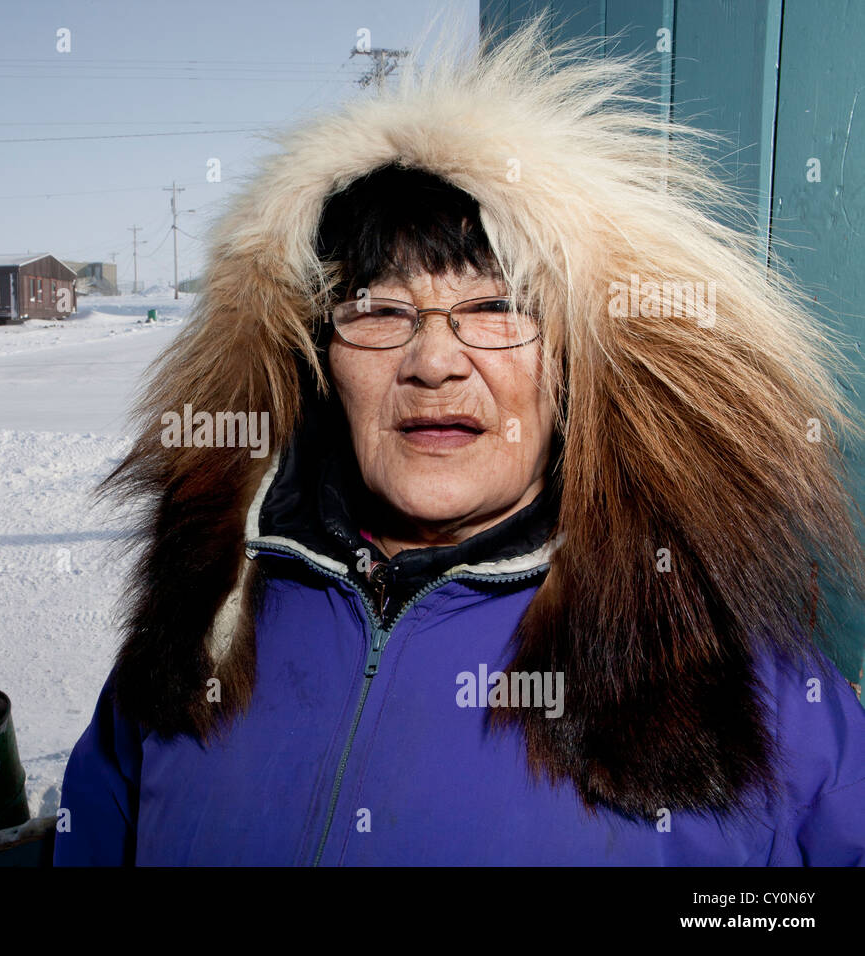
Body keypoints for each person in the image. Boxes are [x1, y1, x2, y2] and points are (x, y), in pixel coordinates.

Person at [54, 19, 865, 865]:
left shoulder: (736, 678)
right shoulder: (202, 627)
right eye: (379, 310)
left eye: (496, 308)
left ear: (581, 363)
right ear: (316, 357)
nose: (434, 361)